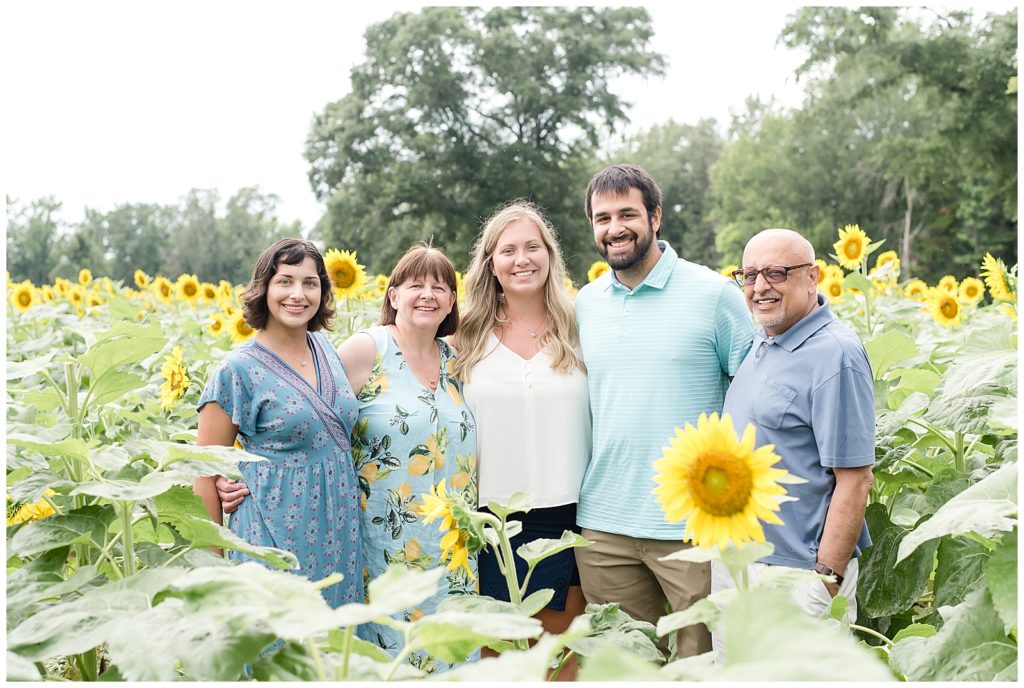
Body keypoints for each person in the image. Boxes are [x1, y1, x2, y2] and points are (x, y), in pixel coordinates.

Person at [216, 244, 477, 673]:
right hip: (374, 540)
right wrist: (241, 471)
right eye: (415, 285)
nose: (428, 294)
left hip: (449, 545)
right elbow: (300, 415)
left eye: (440, 287)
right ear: (392, 295)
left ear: (452, 300)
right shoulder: (362, 350)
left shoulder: (458, 358)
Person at [573, 164, 754, 659]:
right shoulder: (585, 305)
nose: (614, 228)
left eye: (627, 213)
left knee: (699, 666)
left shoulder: (714, 296)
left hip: (692, 528)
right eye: (602, 217)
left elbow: (758, 395)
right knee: (623, 667)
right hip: (604, 527)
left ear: (655, 217)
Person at [712, 228, 875, 657]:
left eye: (777, 273)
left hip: (796, 576)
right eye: (749, 275)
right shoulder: (761, 342)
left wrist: (825, 578)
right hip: (738, 565)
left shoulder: (835, 354)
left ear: (813, 277)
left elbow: (855, 479)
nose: (760, 287)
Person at [453, 201, 590, 679]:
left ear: (550, 254)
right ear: (490, 264)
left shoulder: (581, 326)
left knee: (558, 660)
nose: (521, 259)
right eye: (507, 250)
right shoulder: (463, 335)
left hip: (570, 517)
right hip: (488, 522)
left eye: (532, 246)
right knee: (497, 659)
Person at [194, 238, 363, 608]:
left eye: (310, 283)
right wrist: (214, 569)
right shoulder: (237, 370)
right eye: (284, 281)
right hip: (271, 535)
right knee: (280, 651)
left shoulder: (327, 351)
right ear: (264, 288)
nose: (297, 294)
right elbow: (205, 473)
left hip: (339, 534)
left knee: (338, 650)